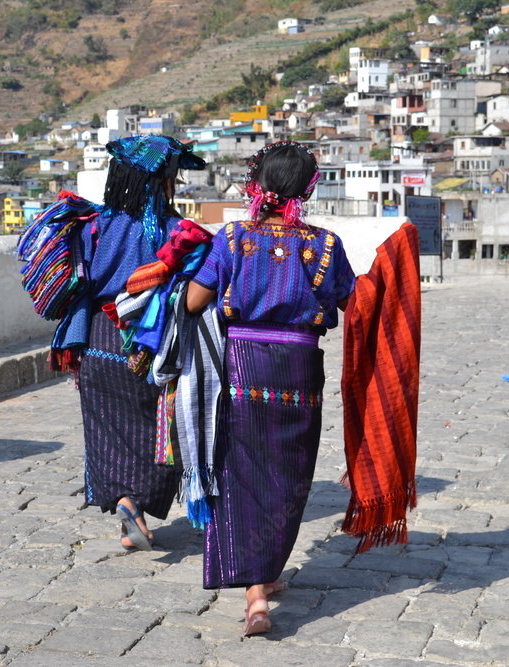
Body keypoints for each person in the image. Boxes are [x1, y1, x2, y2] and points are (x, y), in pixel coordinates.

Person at [185, 141, 356, 636]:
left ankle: (255, 593)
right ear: (308, 187)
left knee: (241, 471)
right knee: (290, 473)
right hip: (300, 369)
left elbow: (196, 300)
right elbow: (354, 302)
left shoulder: (233, 238)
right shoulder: (325, 244)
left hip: (244, 368)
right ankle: (268, 566)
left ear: (256, 185)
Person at [78, 135, 206, 551]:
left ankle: (126, 507)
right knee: (157, 433)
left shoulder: (94, 227)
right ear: (161, 182)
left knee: (107, 432)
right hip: (150, 346)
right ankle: (137, 509)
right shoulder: (175, 232)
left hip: (98, 341)